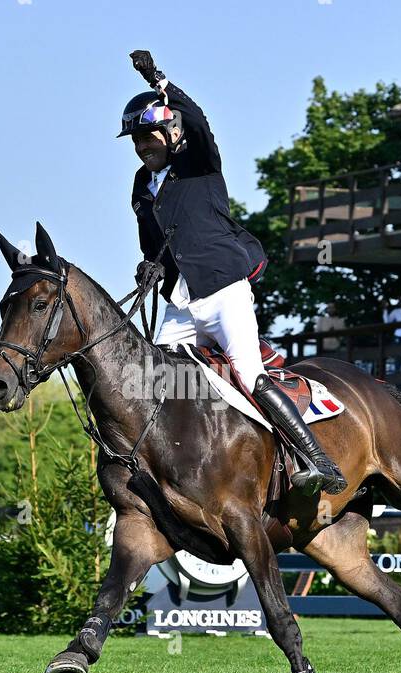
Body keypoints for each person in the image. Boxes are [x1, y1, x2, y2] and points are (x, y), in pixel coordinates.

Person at [122, 49, 345, 495]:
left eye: (149, 135)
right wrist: (150, 268)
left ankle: (315, 459)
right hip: (181, 302)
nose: (143, 145)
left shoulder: (198, 162)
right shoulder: (140, 186)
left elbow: (199, 119)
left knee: (247, 373)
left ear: (170, 131)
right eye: (136, 139)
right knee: (154, 380)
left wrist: (161, 81)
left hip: (224, 290)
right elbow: (156, 242)